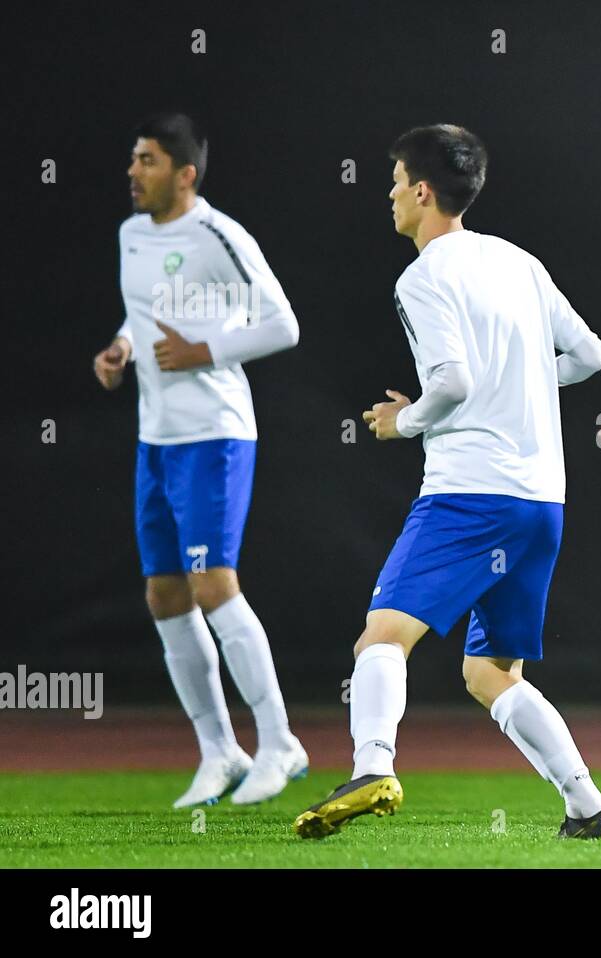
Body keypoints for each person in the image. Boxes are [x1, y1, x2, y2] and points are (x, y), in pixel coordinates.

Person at [293, 125, 601, 840]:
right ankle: (588, 808)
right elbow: (590, 354)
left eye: (394, 183)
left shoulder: (423, 275)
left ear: (421, 189)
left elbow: (450, 381)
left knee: (381, 637)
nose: (387, 197)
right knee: (492, 672)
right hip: (542, 501)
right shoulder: (520, 262)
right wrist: (524, 388)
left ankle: (374, 763)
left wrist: (404, 423)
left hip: (469, 493)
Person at [93, 112, 306, 808]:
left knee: (213, 581)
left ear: (185, 174)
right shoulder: (130, 235)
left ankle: (279, 742)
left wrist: (201, 352)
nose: (133, 171)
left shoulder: (219, 235)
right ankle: (220, 751)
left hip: (215, 433)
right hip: (155, 438)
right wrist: (123, 346)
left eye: (147, 160)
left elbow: (283, 323)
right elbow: (145, 310)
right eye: (133, 158)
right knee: (165, 593)